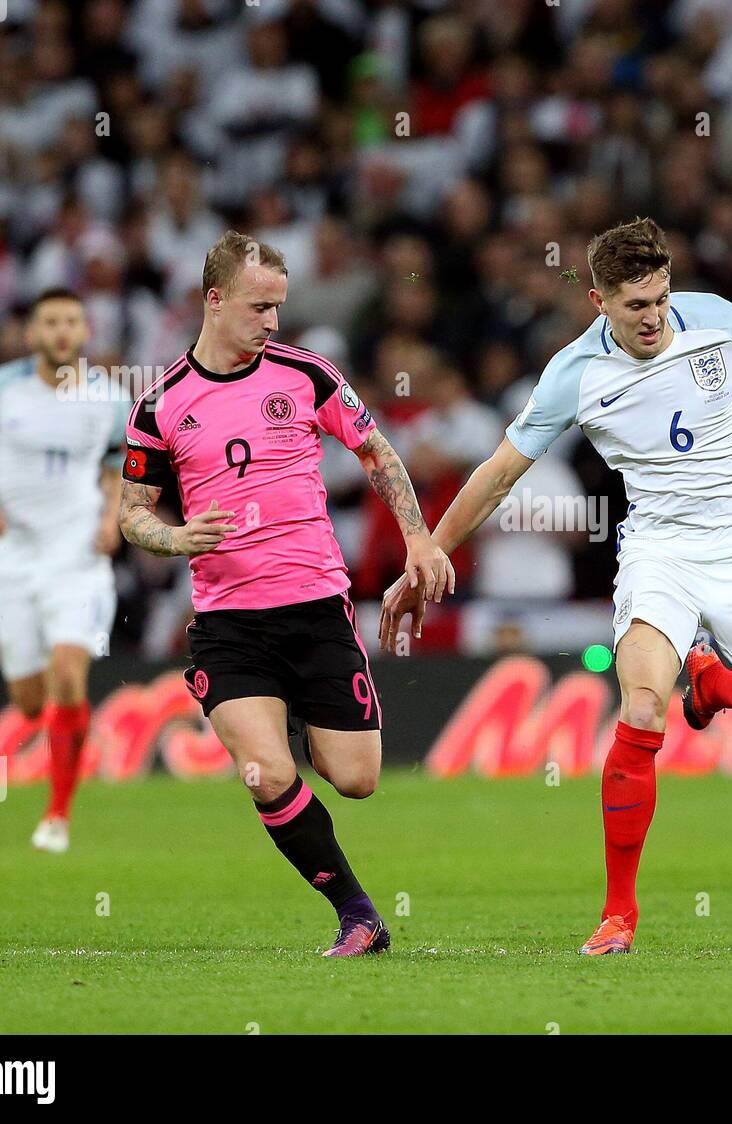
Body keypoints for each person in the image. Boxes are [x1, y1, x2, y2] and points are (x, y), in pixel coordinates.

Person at [379, 217, 732, 954]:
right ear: (598, 301)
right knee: (645, 707)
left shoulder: (717, 322)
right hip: (661, 554)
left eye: (659, 298)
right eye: (634, 305)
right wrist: (425, 548)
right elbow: (497, 475)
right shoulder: (572, 375)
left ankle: (715, 684)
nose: (653, 317)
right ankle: (619, 913)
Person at [119, 231, 452, 957]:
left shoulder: (308, 376)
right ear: (214, 300)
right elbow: (132, 514)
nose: (272, 323)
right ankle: (358, 914)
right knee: (265, 773)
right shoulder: (161, 405)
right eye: (259, 307)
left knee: (357, 779)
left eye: (279, 308)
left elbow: (376, 451)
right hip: (229, 623)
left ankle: (299, 720)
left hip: (315, 610)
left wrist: (419, 539)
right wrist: (174, 538)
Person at [0, 288, 127, 854]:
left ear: (84, 330)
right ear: (31, 334)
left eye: (72, 320)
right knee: (28, 700)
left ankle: (57, 816)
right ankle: (68, 737)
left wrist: (113, 518)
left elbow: (121, 465)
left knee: (68, 674)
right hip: (14, 560)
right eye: (50, 322)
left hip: (77, 557)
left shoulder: (109, 397)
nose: (62, 331)